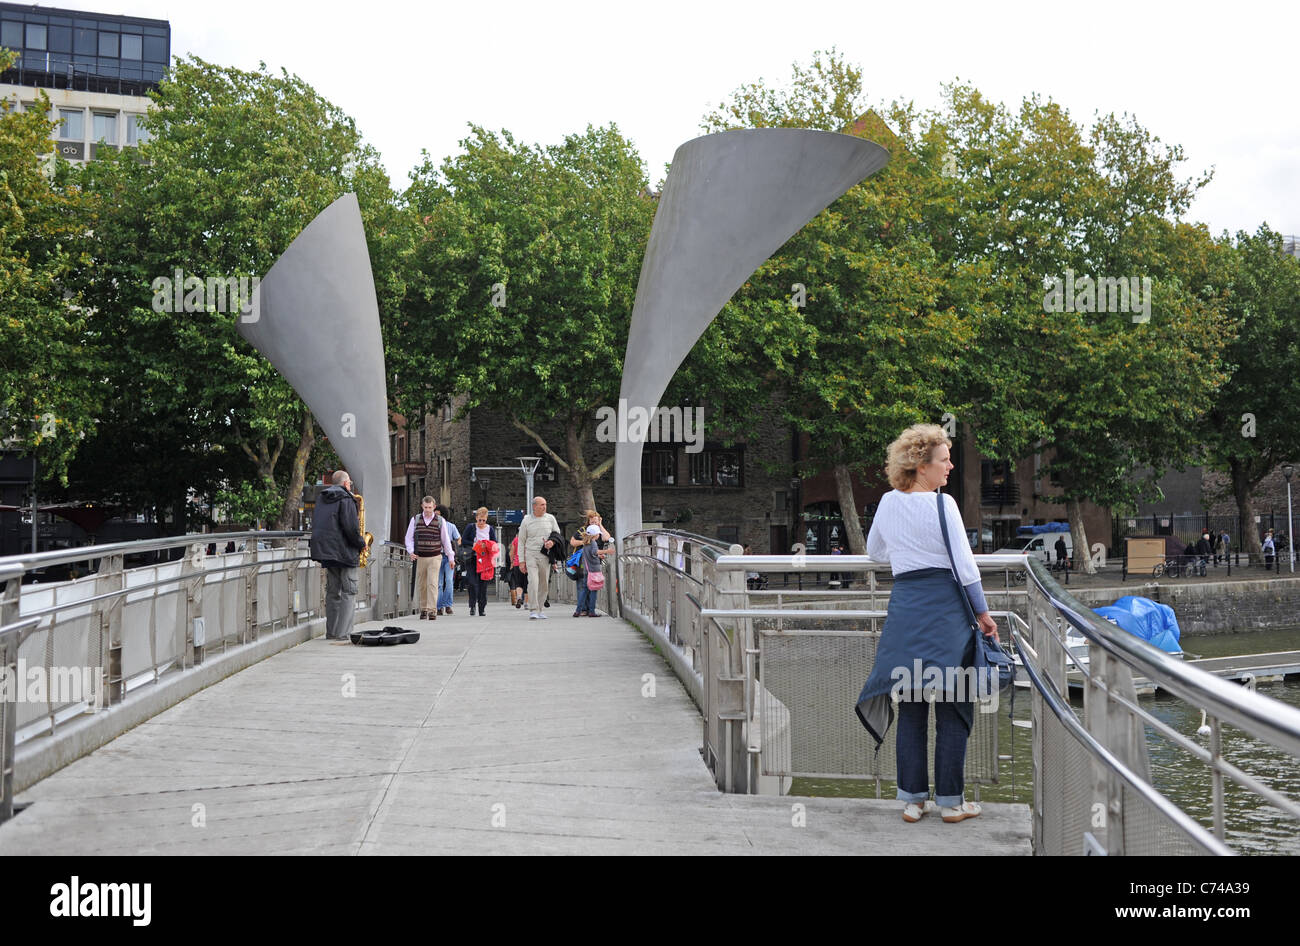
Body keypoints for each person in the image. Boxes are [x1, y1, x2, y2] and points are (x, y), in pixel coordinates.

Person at [854, 424, 997, 825]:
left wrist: (908, 549)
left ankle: (913, 802)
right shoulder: (943, 505)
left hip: (907, 608)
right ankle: (951, 802)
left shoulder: (886, 502)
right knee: (954, 706)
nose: (950, 465)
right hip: (947, 612)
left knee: (912, 706)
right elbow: (965, 567)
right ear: (921, 465)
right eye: (944, 460)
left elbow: (876, 552)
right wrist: (983, 614)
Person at [308, 470, 367, 641]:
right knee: (349, 590)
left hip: (327, 552)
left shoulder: (322, 498)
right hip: (345, 552)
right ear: (346, 483)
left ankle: (332, 632)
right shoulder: (346, 499)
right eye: (349, 482)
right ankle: (344, 633)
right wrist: (361, 543)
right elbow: (350, 527)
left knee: (333, 592)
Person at [405, 496, 452, 620]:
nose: (427, 510)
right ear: (422, 506)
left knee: (432, 583)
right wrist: (411, 551)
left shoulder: (440, 521)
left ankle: (432, 610)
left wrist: (450, 557)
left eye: (430, 507)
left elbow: (445, 540)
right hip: (420, 556)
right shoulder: (415, 519)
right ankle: (424, 609)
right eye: (425, 507)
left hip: (435, 556)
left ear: (434, 507)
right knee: (422, 584)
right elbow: (408, 538)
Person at [517, 495, 560, 620]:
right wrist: (521, 561)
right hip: (531, 554)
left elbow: (557, 534)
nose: (544, 507)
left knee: (544, 583)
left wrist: (552, 542)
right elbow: (521, 541)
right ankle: (533, 609)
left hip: (546, 555)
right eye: (542, 505)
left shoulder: (551, 518)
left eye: (545, 504)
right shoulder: (526, 520)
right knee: (533, 582)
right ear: (534, 506)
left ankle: (540, 609)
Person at [463, 506, 498, 616]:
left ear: (486, 519)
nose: (481, 522)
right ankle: (472, 605)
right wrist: (474, 544)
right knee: (473, 583)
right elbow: (463, 540)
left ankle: (482, 608)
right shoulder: (471, 527)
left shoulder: (490, 529)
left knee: (483, 585)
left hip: (485, 560)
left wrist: (486, 544)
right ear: (476, 518)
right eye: (479, 520)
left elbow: (494, 543)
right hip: (472, 558)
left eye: (484, 520)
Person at [573, 524, 612, 617]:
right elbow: (595, 552)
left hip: (586, 570)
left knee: (584, 590)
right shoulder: (593, 542)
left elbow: (590, 554)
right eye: (598, 534)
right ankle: (591, 611)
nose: (599, 536)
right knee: (593, 590)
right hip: (593, 571)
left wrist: (599, 556)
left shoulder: (586, 543)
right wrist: (607, 551)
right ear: (595, 535)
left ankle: (578, 611)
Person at [437, 504, 460, 615]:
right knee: (439, 583)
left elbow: (459, 539)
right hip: (437, 556)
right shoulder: (433, 525)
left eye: (437, 514)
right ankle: (439, 606)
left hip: (448, 556)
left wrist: (452, 546)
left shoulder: (451, 526)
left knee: (449, 581)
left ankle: (448, 605)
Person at [508, 532, 528, 609]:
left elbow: (511, 553)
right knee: (527, 584)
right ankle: (526, 603)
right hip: (527, 564)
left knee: (518, 583)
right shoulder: (529, 539)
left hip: (517, 563)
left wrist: (512, 562)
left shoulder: (516, 540)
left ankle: (519, 597)